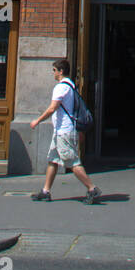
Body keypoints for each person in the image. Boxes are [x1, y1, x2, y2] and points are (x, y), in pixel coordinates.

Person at [29, 59, 100, 204]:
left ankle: (92, 188)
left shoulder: (61, 87)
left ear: (61, 71)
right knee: (53, 160)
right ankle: (45, 191)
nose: (53, 73)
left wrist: (38, 120)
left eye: (54, 70)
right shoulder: (70, 85)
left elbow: (52, 108)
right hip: (61, 131)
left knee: (72, 162)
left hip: (64, 131)